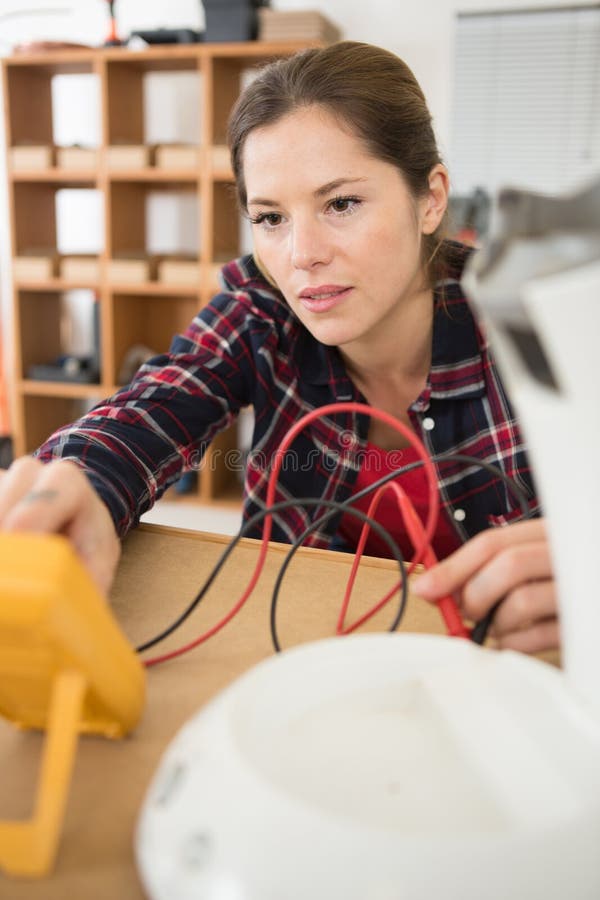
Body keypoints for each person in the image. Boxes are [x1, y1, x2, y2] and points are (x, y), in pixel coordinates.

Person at [0, 41, 558, 654]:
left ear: (430, 199)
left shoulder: (540, 327)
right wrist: (82, 480)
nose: (301, 255)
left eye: (340, 203)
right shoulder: (262, 312)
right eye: (271, 218)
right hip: (304, 671)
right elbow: (152, 406)